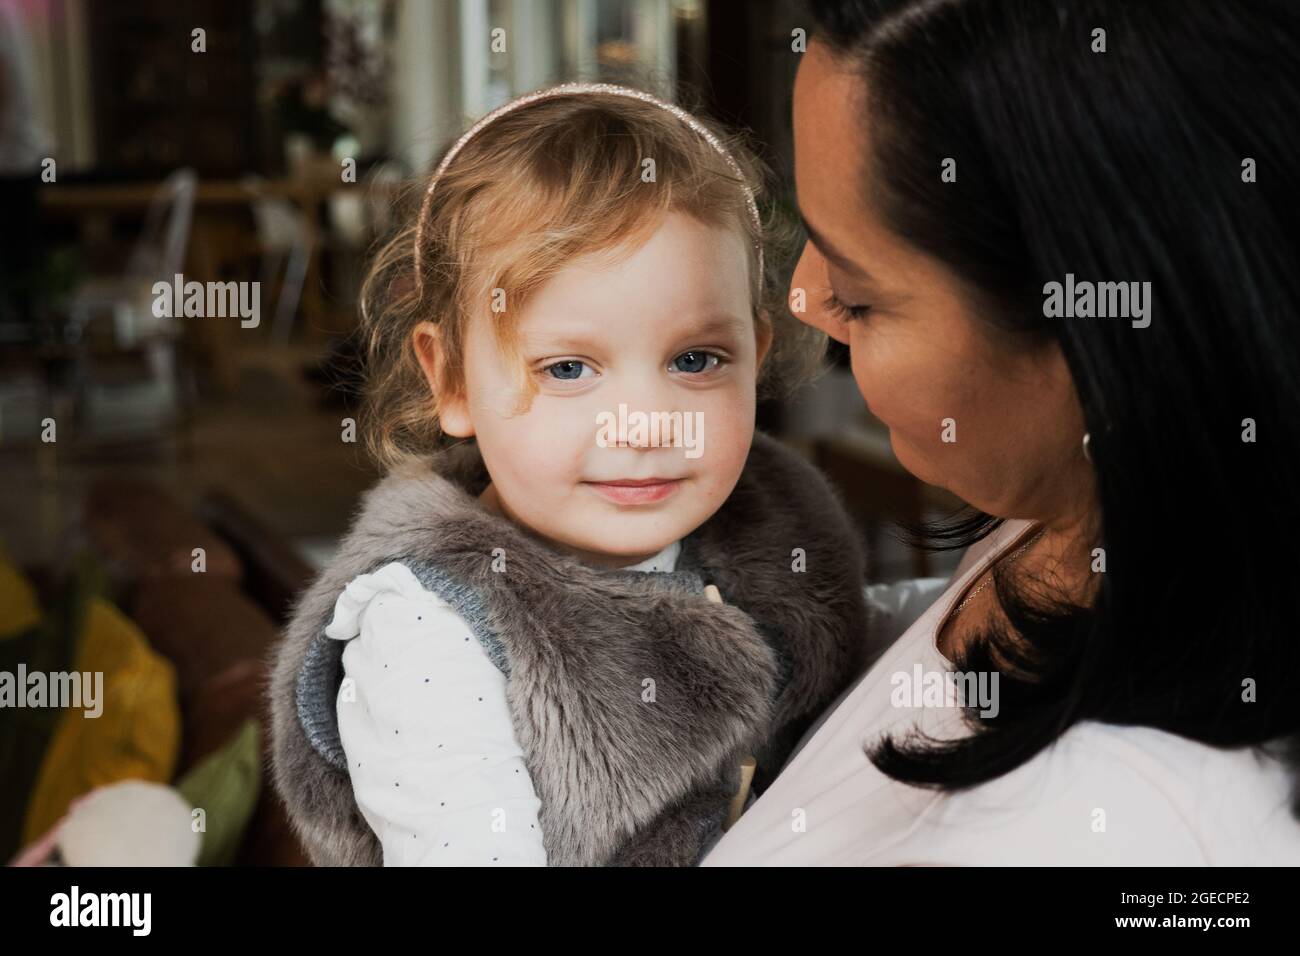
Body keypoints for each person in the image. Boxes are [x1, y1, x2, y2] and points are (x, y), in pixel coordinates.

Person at [701, 0, 1300, 865]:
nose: (802, 298)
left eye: (861, 295)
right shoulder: (1080, 513)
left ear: (1090, 338)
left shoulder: (1111, 832)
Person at [268, 83, 872, 866]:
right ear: (450, 380)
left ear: (755, 353)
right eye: (567, 368)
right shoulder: (429, 637)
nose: (644, 422)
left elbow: (880, 647)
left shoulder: (772, 511)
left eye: (695, 359)